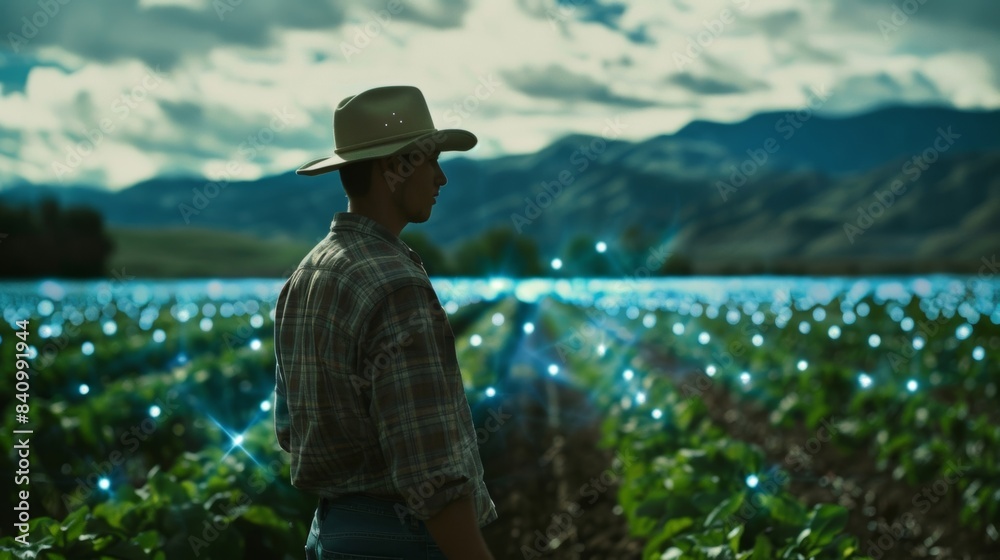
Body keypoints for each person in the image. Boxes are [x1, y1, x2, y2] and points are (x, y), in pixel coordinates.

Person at [272, 85, 498, 560]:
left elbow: (290, 430)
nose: (441, 178)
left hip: (329, 534)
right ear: (392, 168)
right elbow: (432, 473)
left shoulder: (307, 273)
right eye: (429, 159)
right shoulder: (397, 287)